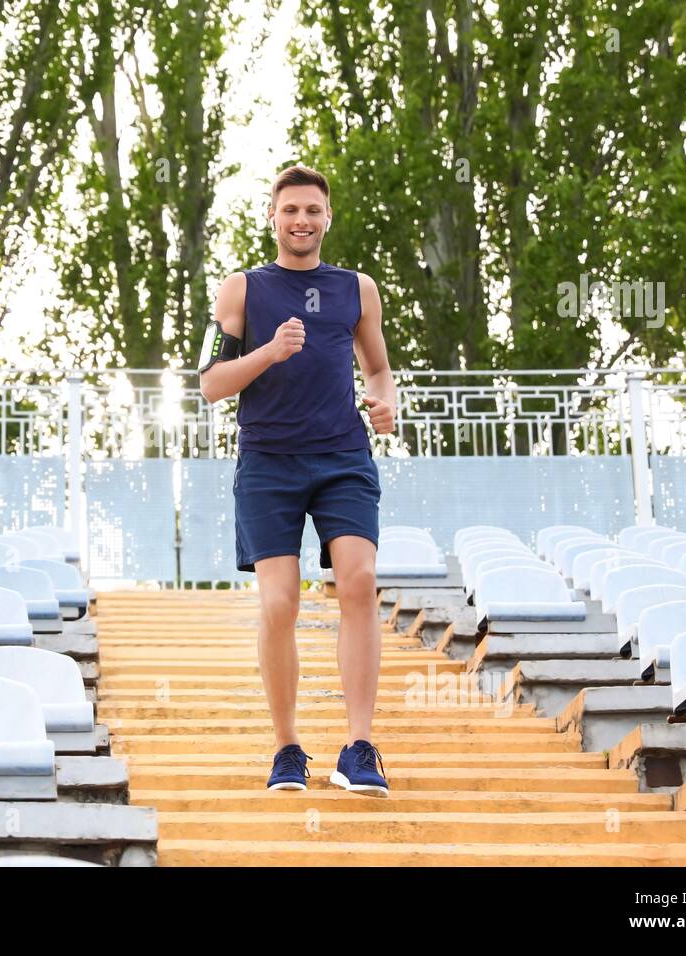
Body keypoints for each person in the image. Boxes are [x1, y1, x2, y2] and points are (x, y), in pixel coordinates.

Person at [199, 164, 397, 794]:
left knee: (359, 582)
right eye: (291, 210)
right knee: (279, 604)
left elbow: (378, 369)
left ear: (327, 217)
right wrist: (269, 352)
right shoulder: (242, 290)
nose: (302, 220)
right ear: (272, 217)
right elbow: (210, 385)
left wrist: (384, 402)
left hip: (342, 456)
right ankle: (288, 749)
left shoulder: (357, 289)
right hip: (268, 462)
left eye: (313, 210)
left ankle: (359, 748)